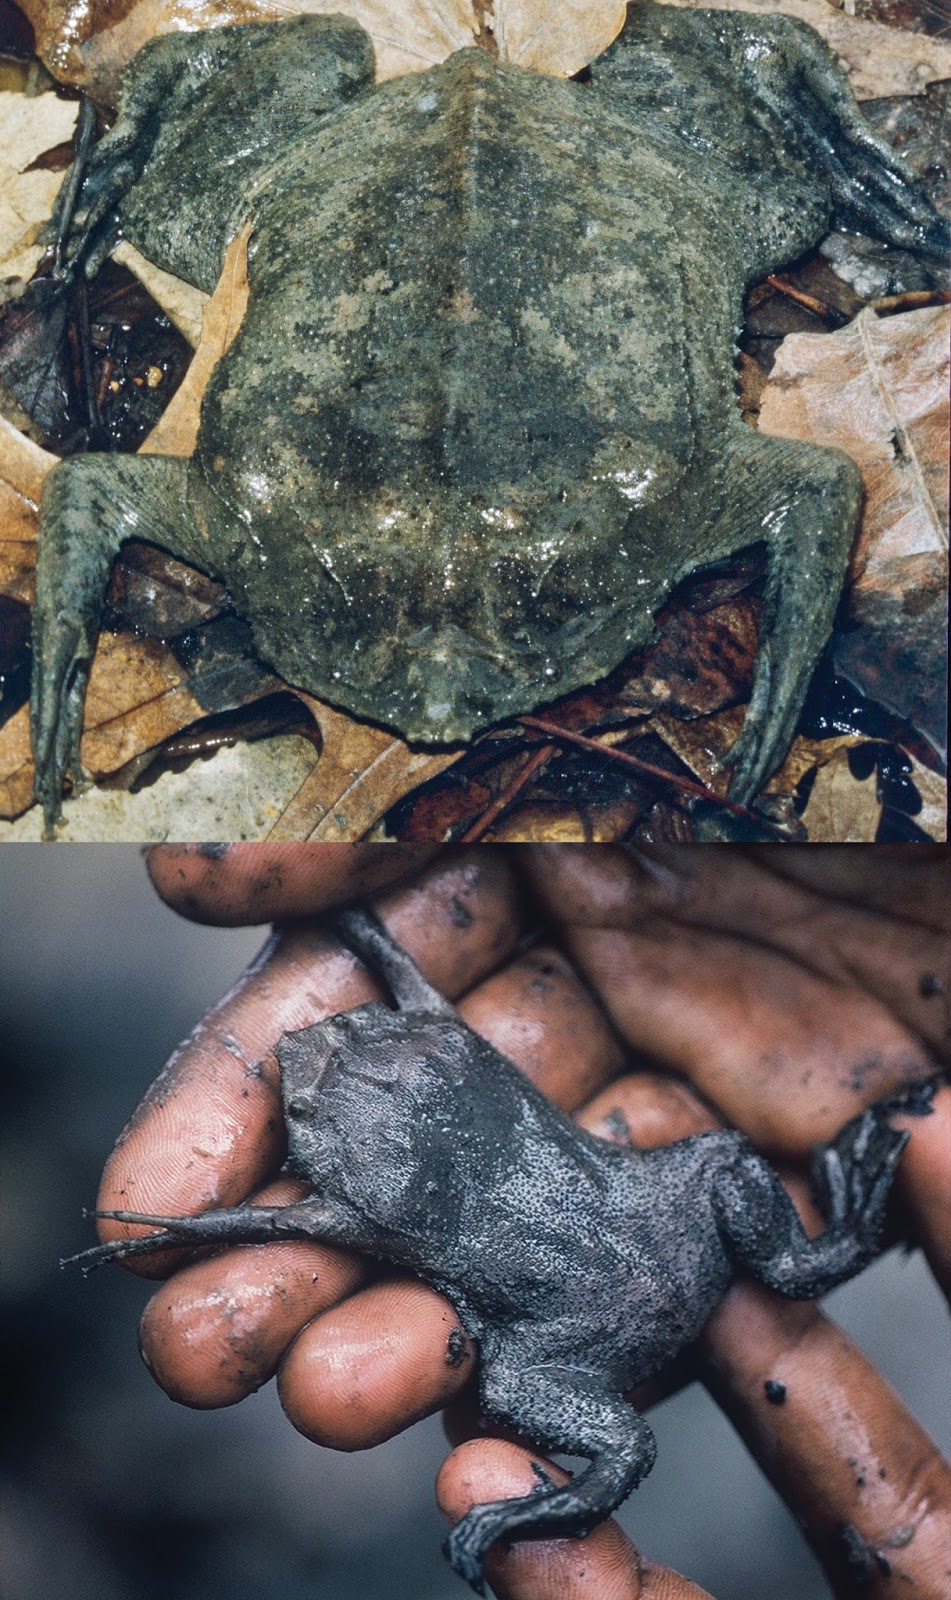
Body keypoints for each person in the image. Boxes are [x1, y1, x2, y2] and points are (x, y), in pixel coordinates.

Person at [95, 843, 950, 1599]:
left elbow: (248, 1224)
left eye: (307, 1096)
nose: (302, 1056)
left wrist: (169, 1227)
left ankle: (525, 1509)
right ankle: (812, 1257)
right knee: (717, 1157)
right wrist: (349, 911)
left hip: (585, 1309)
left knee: (563, 1418)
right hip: (645, 1243)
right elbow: (394, 960)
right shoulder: (430, 1038)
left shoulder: (349, 1203)